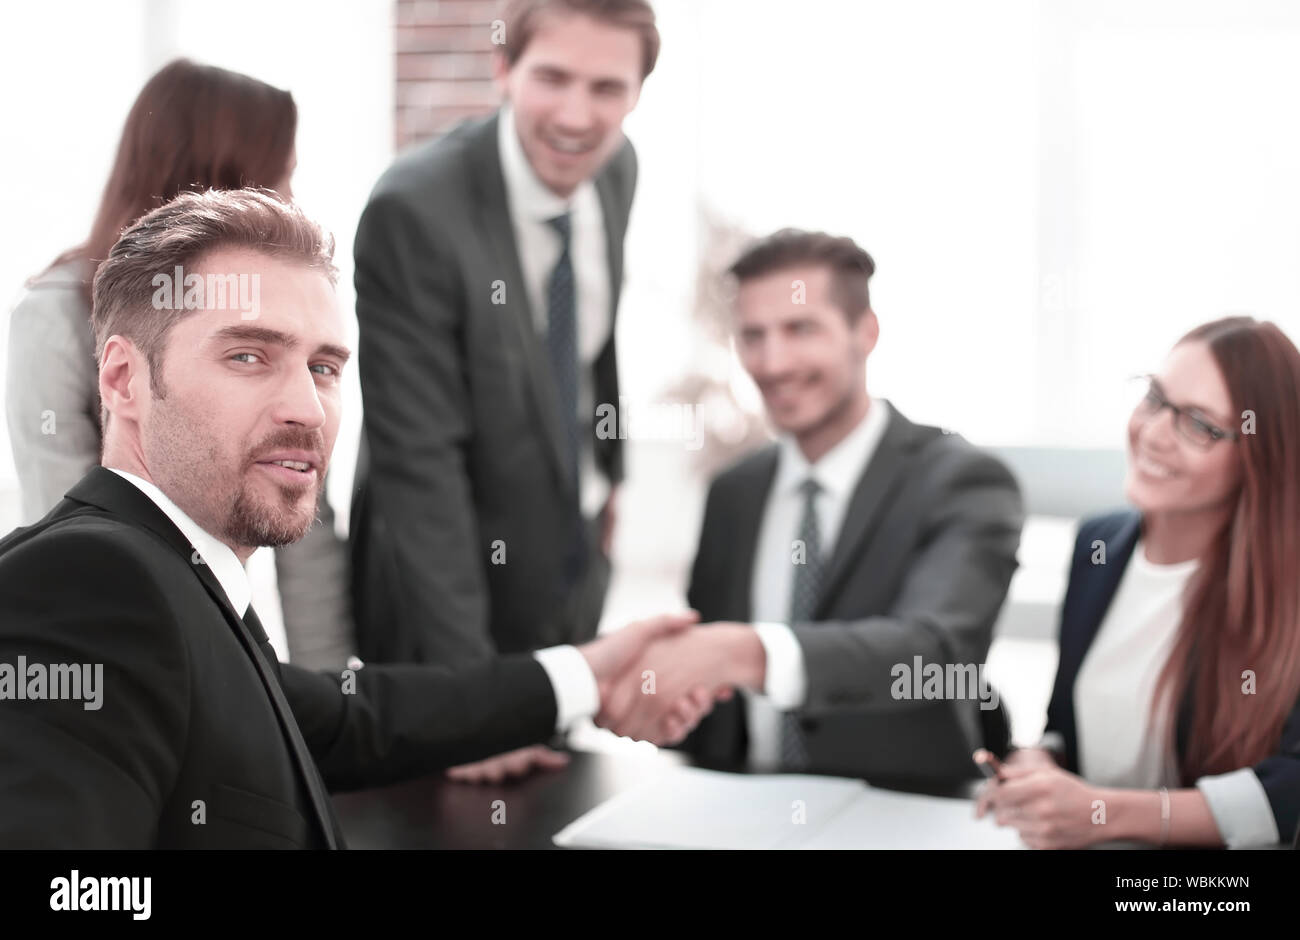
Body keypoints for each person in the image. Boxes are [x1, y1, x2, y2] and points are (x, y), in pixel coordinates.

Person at [0, 189, 711, 848]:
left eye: (326, 367)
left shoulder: (188, 591)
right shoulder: (92, 582)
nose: (306, 408)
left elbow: (356, 719)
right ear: (124, 380)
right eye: (249, 355)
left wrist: (588, 673)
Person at [349, 0, 659, 777]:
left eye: (607, 88)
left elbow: (595, 337)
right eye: (551, 78)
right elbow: (420, 466)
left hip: (561, 567)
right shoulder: (413, 211)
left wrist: (608, 477)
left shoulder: (619, 169)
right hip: (442, 610)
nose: (577, 116)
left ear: (637, 93)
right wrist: (473, 705)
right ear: (503, 68)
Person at [598, 229, 1025, 779]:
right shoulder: (734, 492)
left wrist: (741, 651)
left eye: (800, 329)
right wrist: (657, 701)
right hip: (739, 813)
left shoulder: (962, 480)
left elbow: (936, 655)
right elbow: (714, 691)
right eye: (753, 336)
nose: (773, 362)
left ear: (864, 333)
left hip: (902, 816)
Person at [4, 58, 351, 671]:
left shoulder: (287, 324)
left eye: (324, 368)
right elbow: (73, 536)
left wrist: (328, 715)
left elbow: (307, 539)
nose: (292, 201)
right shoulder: (55, 317)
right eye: (281, 178)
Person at [977, 317, 1300, 848]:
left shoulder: (1286, 587)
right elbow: (1069, 721)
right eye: (1154, 397)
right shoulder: (1097, 546)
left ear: (1258, 458)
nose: (1153, 433)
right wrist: (1039, 759)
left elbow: (1289, 790)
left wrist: (1107, 813)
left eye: (1199, 424)